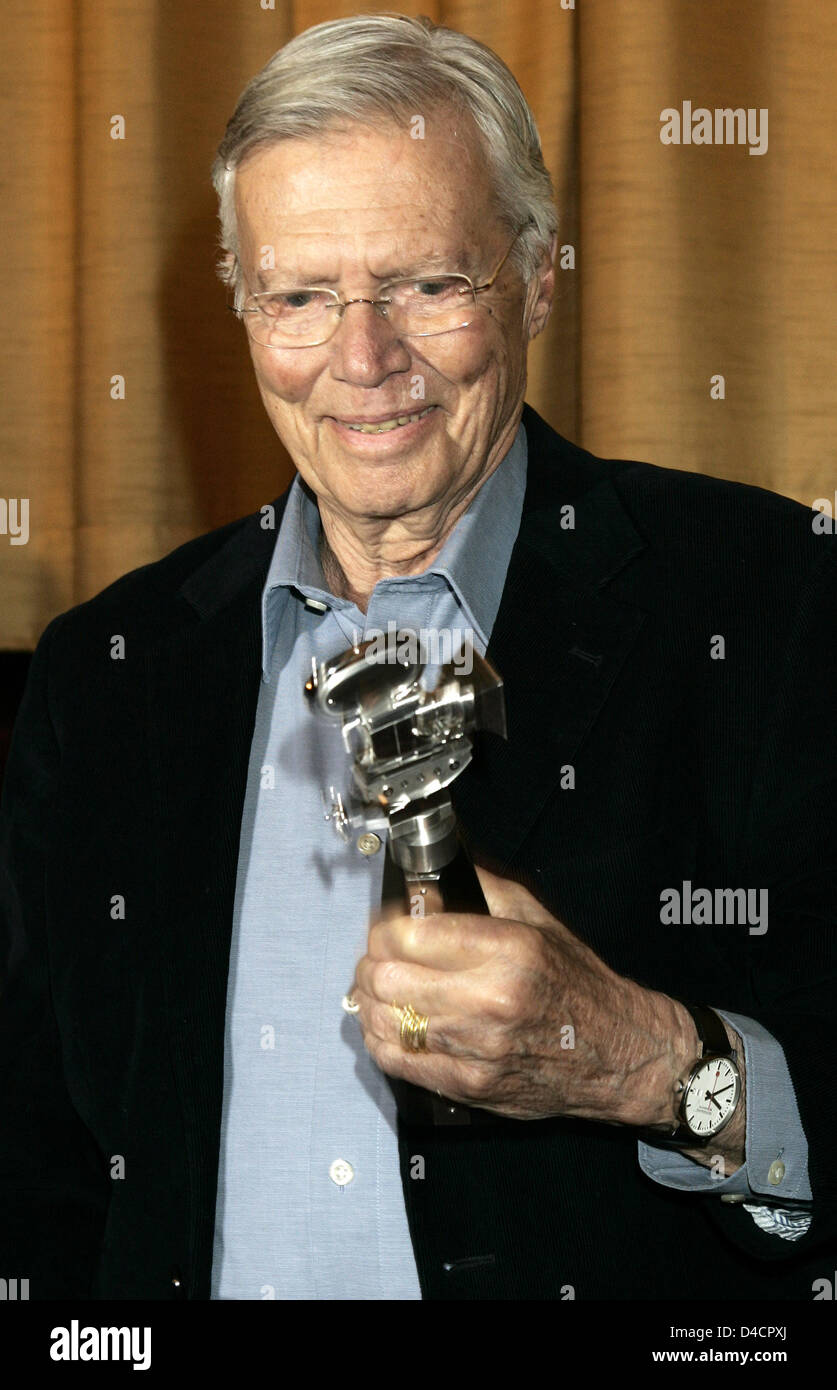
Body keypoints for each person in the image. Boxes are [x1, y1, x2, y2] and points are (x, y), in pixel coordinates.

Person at [1, 13, 834, 1301]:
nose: (363, 359)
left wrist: (647, 1061)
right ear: (240, 303)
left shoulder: (774, 603)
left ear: (540, 275)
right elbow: (44, 1171)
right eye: (298, 296)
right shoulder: (104, 673)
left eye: (430, 285)